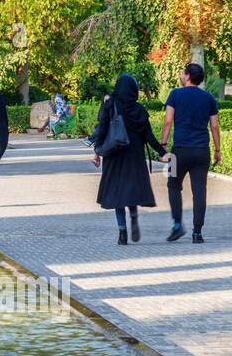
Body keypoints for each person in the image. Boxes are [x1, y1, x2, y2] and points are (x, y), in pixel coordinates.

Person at [91, 73, 168, 246]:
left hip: (114, 155)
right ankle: (133, 215)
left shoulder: (110, 106)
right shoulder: (139, 110)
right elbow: (148, 136)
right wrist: (162, 151)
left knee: (118, 194)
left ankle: (122, 233)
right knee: (131, 190)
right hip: (135, 156)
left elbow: (102, 129)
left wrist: (98, 150)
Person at [160, 62, 222, 244]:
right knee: (199, 190)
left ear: (187, 76)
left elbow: (167, 121)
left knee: (173, 185)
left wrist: (163, 145)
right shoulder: (209, 98)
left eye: (182, 73)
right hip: (202, 152)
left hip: (178, 152)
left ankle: (177, 225)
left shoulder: (175, 95)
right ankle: (197, 233)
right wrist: (217, 150)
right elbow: (215, 126)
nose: (181, 75)